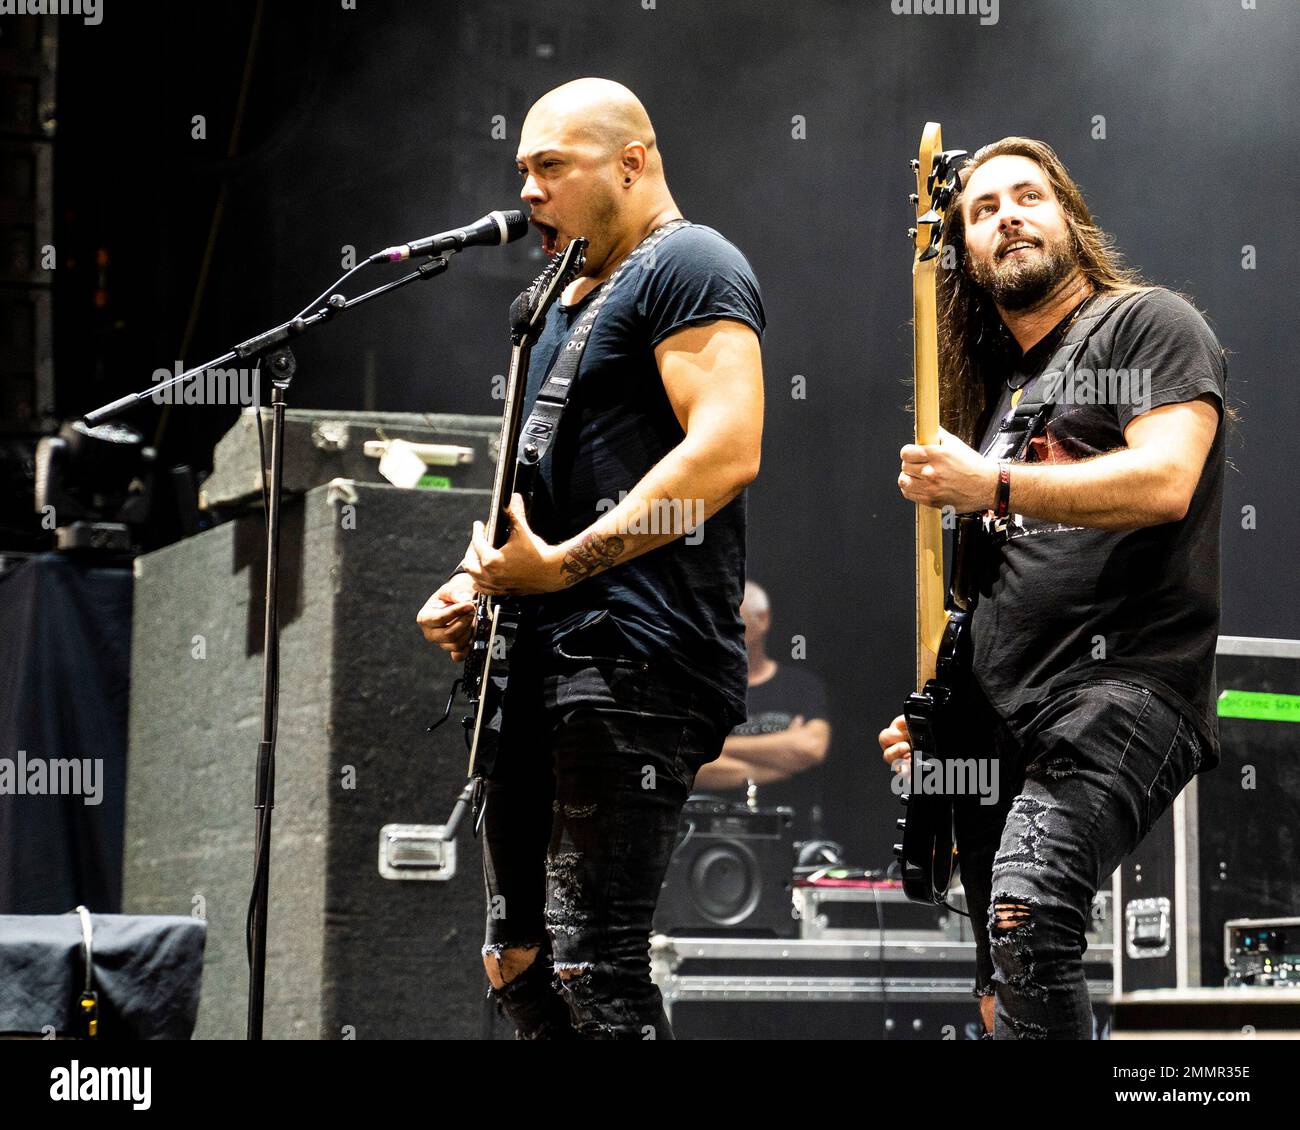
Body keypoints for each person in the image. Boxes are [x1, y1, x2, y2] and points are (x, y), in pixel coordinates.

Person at [416, 77, 765, 1039]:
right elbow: (532, 488)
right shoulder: (558, 298)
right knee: (516, 957)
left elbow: (728, 452)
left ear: (631, 162)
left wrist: (563, 566)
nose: (527, 189)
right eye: (522, 168)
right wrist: (475, 579)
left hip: (635, 659)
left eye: (550, 167)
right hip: (535, 655)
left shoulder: (691, 263)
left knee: (590, 962)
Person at [877, 137, 1225, 1040]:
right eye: (983, 209)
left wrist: (989, 484)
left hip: (1124, 687)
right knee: (1001, 987)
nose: (1009, 216)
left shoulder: (1146, 325)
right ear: (967, 252)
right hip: (1001, 723)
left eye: (1028, 195)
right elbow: (990, 599)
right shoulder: (1001, 400)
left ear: (1068, 215)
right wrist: (939, 725)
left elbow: (1164, 481)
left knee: (1029, 915)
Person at [694, 580, 832, 844]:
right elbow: (692, 767)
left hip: (793, 842)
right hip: (712, 843)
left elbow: (811, 747)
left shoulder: (800, 686)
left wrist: (719, 748)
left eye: (734, 615)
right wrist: (779, 761)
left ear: (763, 619)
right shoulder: (703, 691)